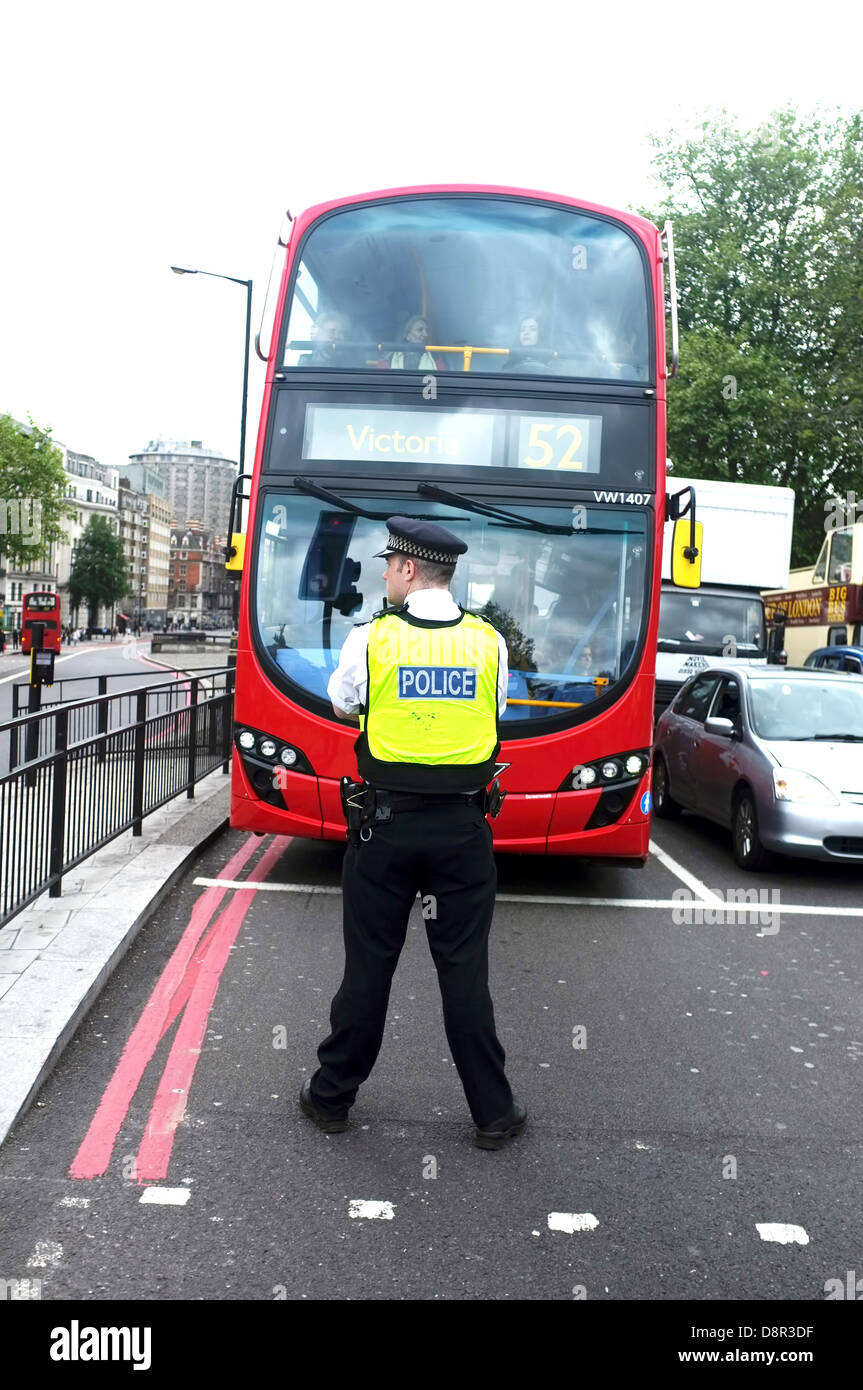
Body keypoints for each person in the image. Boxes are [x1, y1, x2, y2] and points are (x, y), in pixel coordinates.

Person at [301, 515, 526, 1150]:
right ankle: (493, 1113)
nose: (383, 574)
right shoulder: (489, 640)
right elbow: (496, 708)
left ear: (406, 569)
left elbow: (343, 703)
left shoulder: (372, 637)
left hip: (384, 829)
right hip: (463, 830)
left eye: (388, 565)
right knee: (464, 974)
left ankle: (331, 1099)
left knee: (370, 967)